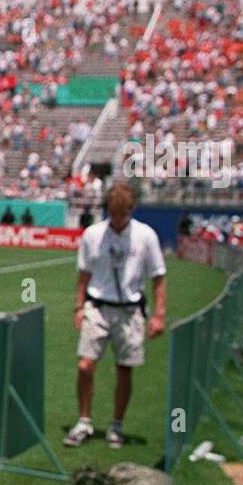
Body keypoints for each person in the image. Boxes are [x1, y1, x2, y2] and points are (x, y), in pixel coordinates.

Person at [65, 180, 167, 449]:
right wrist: (78, 307)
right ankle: (84, 421)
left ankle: (116, 425)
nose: (117, 218)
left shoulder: (146, 236)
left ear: (131, 210)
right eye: (113, 212)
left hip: (130, 311)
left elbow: (158, 276)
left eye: (122, 213)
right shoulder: (92, 234)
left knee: (124, 370)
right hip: (97, 306)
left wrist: (159, 314)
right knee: (85, 366)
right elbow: (83, 274)